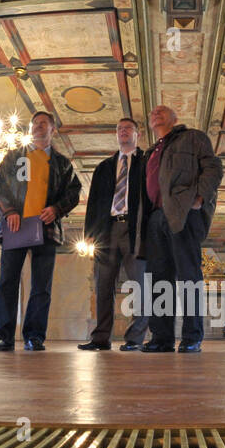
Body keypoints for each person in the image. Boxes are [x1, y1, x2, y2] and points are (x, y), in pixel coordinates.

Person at [0, 111, 81, 351]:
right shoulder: (14, 157)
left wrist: (56, 209)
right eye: (35, 123)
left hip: (46, 230)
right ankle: (3, 337)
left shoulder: (62, 163)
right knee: (8, 282)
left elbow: (73, 192)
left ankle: (34, 336)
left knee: (41, 286)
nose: (38, 127)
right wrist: (9, 212)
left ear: (53, 130)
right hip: (15, 226)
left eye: (43, 123)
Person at [135, 105, 222, 353]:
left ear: (175, 119)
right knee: (159, 281)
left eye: (162, 111)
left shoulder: (193, 137)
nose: (156, 113)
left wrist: (200, 198)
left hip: (184, 213)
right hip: (154, 218)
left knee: (188, 277)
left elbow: (213, 167)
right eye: (153, 112)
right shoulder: (151, 151)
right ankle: (161, 338)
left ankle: (192, 336)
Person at [79, 117, 149, 351]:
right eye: (119, 129)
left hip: (135, 230)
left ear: (137, 134)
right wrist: (89, 232)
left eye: (128, 128)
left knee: (140, 284)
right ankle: (100, 338)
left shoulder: (147, 162)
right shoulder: (104, 166)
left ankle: (135, 338)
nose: (123, 132)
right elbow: (94, 202)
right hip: (106, 230)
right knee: (103, 285)